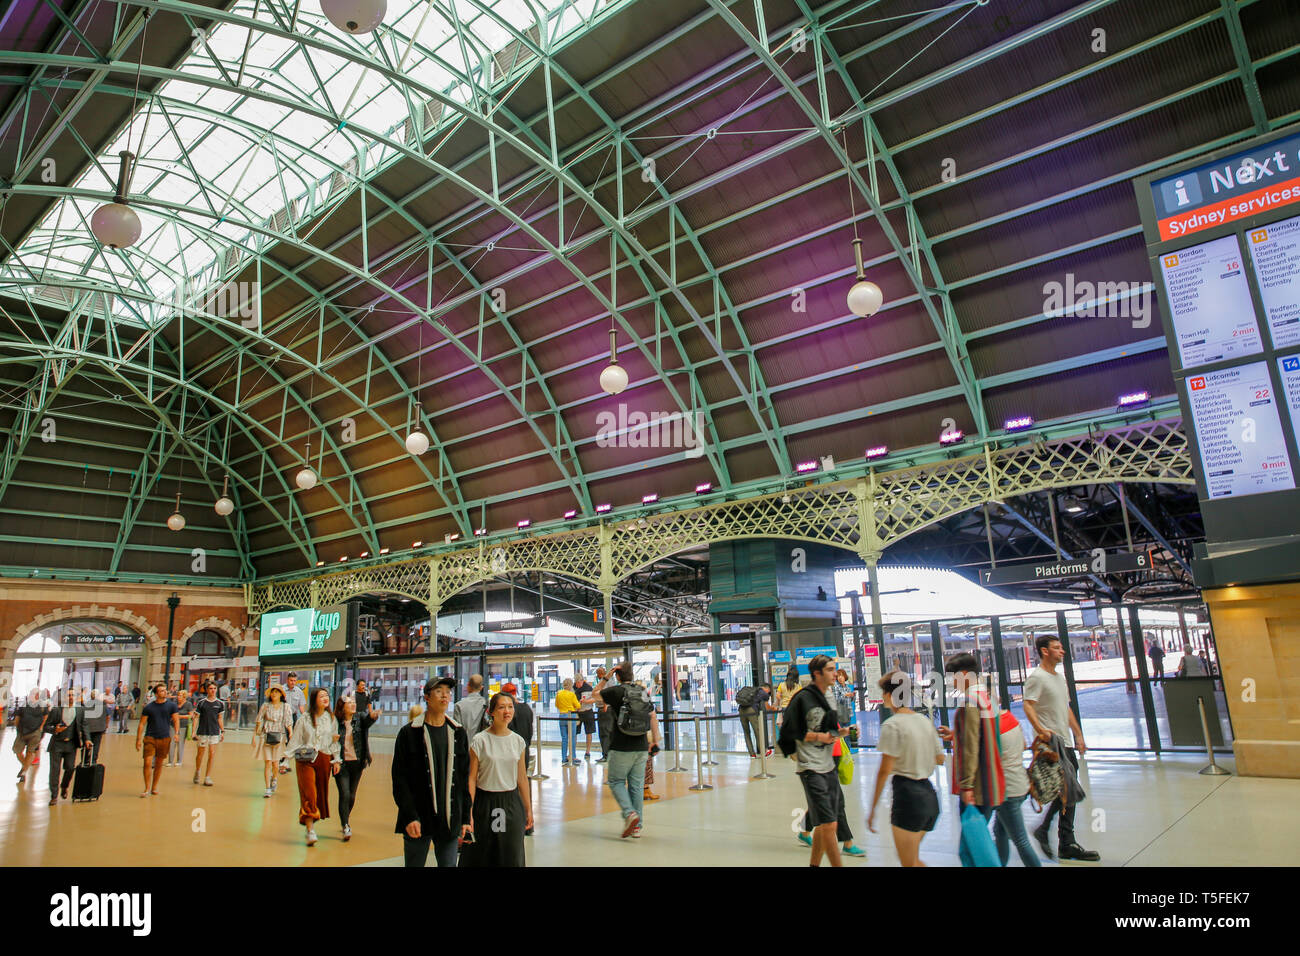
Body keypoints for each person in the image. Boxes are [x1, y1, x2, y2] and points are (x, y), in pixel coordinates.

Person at [1023, 635, 1100, 862]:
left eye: (1062, 647)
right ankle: (1063, 840)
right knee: (1068, 790)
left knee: (1069, 792)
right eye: (1057, 648)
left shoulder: (1059, 677)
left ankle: (1054, 835)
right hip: (1052, 743)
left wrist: (1078, 734)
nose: (1062, 651)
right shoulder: (1037, 677)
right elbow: (1028, 705)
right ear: (1045, 651)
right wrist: (1041, 730)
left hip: (1065, 742)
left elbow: (1065, 708)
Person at [392, 676, 471, 867]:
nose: (444, 695)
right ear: (427, 697)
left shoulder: (458, 733)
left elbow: (463, 778)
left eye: (447, 691)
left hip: (449, 820)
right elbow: (400, 779)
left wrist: (465, 817)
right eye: (438, 691)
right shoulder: (409, 733)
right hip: (418, 819)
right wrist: (410, 815)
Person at [867, 671, 944, 866]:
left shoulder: (892, 725)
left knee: (908, 862)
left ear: (890, 695)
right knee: (913, 860)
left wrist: (873, 808)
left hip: (908, 798)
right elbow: (940, 758)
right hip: (930, 798)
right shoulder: (924, 721)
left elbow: (884, 771)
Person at [777, 654, 847, 866]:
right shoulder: (803, 698)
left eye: (835, 669)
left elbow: (830, 728)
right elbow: (789, 732)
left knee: (826, 823)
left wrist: (842, 732)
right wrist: (818, 737)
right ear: (817, 674)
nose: (835, 674)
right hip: (810, 767)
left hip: (829, 764)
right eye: (830, 670)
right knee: (829, 825)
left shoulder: (831, 697)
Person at [938, 653, 1005, 867]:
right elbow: (985, 735)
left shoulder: (970, 702)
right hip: (993, 781)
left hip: (976, 787)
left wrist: (966, 786)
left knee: (969, 852)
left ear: (964, 675)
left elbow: (970, 747)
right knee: (977, 845)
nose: (952, 683)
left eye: (953, 677)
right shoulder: (987, 697)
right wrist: (956, 732)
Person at [460, 692, 531, 867]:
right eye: (501, 707)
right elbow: (471, 779)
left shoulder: (518, 741)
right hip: (485, 803)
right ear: (492, 712)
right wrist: (468, 813)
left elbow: (522, 777)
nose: (507, 711)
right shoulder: (480, 740)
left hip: (511, 803)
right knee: (484, 853)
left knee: (511, 854)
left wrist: (528, 809)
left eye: (510, 707)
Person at [593, 662, 653, 839]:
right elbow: (651, 714)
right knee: (636, 786)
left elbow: (595, 694)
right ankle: (637, 827)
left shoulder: (616, 691)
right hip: (641, 744)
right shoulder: (642, 691)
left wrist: (606, 677)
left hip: (621, 746)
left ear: (618, 676)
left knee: (616, 781)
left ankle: (629, 813)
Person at [287, 687, 340, 846]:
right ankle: (310, 830)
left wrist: (336, 759)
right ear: (314, 699)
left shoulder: (331, 719)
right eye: (321, 695)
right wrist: (285, 759)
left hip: (324, 758)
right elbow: (295, 740)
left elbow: (334, 740)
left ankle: (311, 823)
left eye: (326, 695)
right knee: (309, 793)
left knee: (318, 795)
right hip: (305, 759)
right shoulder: (304, 718)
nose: (325, 698)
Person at [992, 706, 1042, 868]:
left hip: (1007, 790)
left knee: (1021, 840)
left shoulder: (991, 727)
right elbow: (1024, 745)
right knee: (999, 831)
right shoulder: (1009, 717)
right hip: (1021, 783)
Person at [334, 693, 377, 842]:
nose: (353, 704)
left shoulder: (360, 718)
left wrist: (374, 716)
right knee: (344, 794)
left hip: (357, 763)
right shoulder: (336, 722)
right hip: (341, 764)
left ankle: (346, 816)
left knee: (351, 796)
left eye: (354, 702)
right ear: (342, 706)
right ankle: (345, 825)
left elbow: (368, 721)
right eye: (349, 702)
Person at [44, 688, 90, 805]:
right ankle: (54, 795)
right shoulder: (56, 711)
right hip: (57, 745)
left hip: (71, 744)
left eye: (72, 695)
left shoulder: (80, 711)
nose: (70, 697)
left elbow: (84, 725)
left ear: (76, 697)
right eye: (68, 695)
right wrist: (55, 729)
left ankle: (64, 786)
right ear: (64, 697)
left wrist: (87, 739)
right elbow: (46, 726)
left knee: (70, 768)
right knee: (55, 771)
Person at [136, 684, 180, 798]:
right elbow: (142, 724)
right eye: (161, 691)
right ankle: (146, 788)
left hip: (164, 738)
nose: (164, 692)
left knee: (159, 764)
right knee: (147, 763)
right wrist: (138, 739)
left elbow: (176, 720)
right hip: (150, 737)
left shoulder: (172, 706)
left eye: (165, 690)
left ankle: (154, 787)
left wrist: (176, 733)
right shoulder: (149, 708)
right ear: (156, 694)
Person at [253, 684, 292, 797]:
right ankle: (267, 788)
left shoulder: (286, 707)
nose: (274, 693)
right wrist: (255, 735)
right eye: (272, 691)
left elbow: (288, 721)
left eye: (277, 691)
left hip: (279, 737)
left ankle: (274, 778)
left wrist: (291, 732)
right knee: (268, 763)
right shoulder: (265, 706)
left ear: (281, 694)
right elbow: (259, 719)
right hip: (266, 736)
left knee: (275, 764)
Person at [11, 691, 49, 783]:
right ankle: (25, 766)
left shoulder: (42, 706)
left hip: (35, 733)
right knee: (17, 751)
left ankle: (24, 772)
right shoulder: (23, 706)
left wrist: (41, 727)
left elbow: (46, 716)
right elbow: (16, 719)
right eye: (32, 694)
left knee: (30, 752)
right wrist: (18, 729)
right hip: (22, 732)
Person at [192, 682, 225, 787]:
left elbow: (220, 718)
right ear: (207, 690)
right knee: (200, 754)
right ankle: (197, 771)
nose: (213, 690)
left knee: (212, 753)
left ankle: (207, 777)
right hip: (202, 732)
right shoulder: (201, 703)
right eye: (211, 688)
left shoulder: (220, 704)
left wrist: (222, 731)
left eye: (215, 688)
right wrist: (193, 731)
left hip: (214, 732)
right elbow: (196, 717)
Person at [736, 682, 771, 757]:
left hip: (741, 710)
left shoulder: (751, 690)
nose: (768, 692)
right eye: (768, 690)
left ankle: (752, 754)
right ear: (765, 688)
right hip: (751, 710)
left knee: (746, 732)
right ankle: (763, 751)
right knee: (757, 731)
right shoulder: (760, 691)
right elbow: (766, 697)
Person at [452, 674, 488, 739]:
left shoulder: (459, 706)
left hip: (465, 746)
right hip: (481, 746)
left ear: (468, 686)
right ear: (481, 688)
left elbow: (457, 730)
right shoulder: (486, 704)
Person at [554, 678, 580, 767]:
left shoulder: (559, 694)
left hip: (562, 716)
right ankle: (572, 757)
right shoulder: (571, 694)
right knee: (572, 737)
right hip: (571, 716)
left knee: (564, 738)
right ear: (571, 685)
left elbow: (556, 705)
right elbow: (578, 705)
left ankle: (564, 758)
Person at [82, 689, 110, 765]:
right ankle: (93, 761)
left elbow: (82, 716)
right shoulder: (103, 705)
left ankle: (84, 761)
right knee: (96, 745)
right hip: (99, 728)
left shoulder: (86, 705)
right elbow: (108, 716)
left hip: (87, 729)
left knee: (86, 744)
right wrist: (106, 725)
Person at [574, 673, 598, 759]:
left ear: (582, 681)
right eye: (576, 683)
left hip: (588, 711)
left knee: (589, 732)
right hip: (577, 713)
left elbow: (594, 699)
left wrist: (585, 701)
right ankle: (573, 752)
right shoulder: (574, 688)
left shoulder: (589, 688)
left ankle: (588, 751)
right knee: (575, 732)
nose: (577, 685)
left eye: (578, 683)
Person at [169, 689, 195, 767]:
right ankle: (170, 761)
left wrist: (180, 716)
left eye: (180, 695)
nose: (178, 697)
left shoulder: (188, 704)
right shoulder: (174, 704)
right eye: (178, 695)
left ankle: (179, 761)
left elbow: (191, 715)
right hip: (172, 725)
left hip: (183, 725)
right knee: (171, 743)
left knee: (180, 744)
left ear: (184, 696)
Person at [593, 666, 614, 763]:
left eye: (597, 673)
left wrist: (605, 705)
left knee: (604, 733)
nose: (597, 675)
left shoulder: (604, 681)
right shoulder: (610, 680)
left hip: (604, 709)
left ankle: (605, 755)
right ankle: (608, 754)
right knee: (608, 732)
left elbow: (605, 693)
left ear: (601, 673)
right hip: (609, 709)